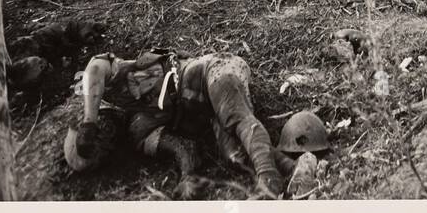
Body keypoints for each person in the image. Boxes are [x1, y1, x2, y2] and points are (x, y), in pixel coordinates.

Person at [68, 50, 304, 199]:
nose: (105, 137)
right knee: (234, 155)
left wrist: (89, 122)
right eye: (101, 147)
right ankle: (298, 166)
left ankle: (270, 182)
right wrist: (187, 175)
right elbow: (184, 148)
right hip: (211, 112)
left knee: (235, 117)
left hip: (213, 70)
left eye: (97, 136)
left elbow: (95, 67)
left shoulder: (115, 80)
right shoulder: (138, 132)